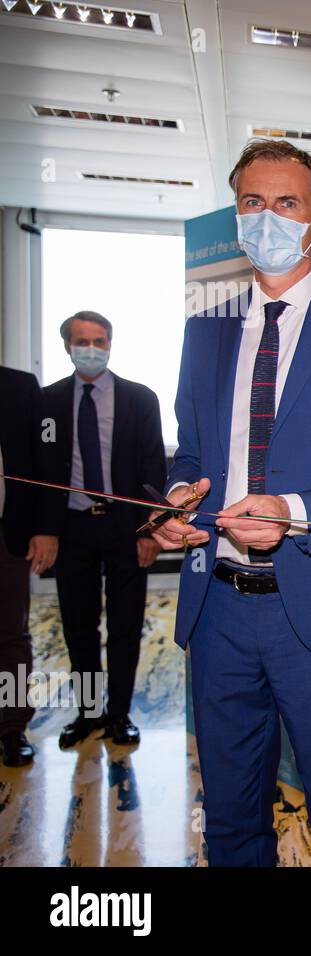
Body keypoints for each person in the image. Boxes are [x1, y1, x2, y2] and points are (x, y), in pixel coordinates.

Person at [149, 139, 311, 867]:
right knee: (230, 810)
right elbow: (193, 454)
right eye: (252, 203)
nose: (267, 217)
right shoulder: (205, 330)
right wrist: (178, 499)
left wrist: (290, 511)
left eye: (286, 203)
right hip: (219, 611)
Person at [43, 312, 165, 748]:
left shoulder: (140, 399)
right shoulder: (48, 403)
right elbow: (40, 467)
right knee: (78, 627)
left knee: (126, 625)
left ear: (111, 344)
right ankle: (89, 712)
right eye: (82, 341)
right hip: (73, 528)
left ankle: (119, 715)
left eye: (99, 340)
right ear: (67, 346)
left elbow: (155, 466)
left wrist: (151, 530)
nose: (91, 348)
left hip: (126, 529)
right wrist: (45, 530)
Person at [0, 367, 60, 766]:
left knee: (9, 633)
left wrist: (46, 528)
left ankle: (11, 726)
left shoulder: (18, 386)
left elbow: (47, 460)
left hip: (7, 533)